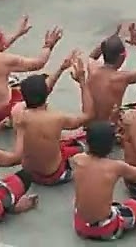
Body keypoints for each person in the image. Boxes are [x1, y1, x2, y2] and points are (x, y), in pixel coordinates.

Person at [11, 55, 92, 186]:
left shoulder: (17, 114)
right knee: (84, 145)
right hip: (53, 175)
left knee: (59, 139)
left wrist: (61, 68)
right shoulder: (57, 118)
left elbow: (43, 90)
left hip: (29, 173)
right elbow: (88, 115)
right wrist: (82, 81)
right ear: (46, 95)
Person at [71, 121, 136, 240]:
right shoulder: (116, 167)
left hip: (80, 226)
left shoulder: (77, 159)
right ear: (111, 145)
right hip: (105, 229)